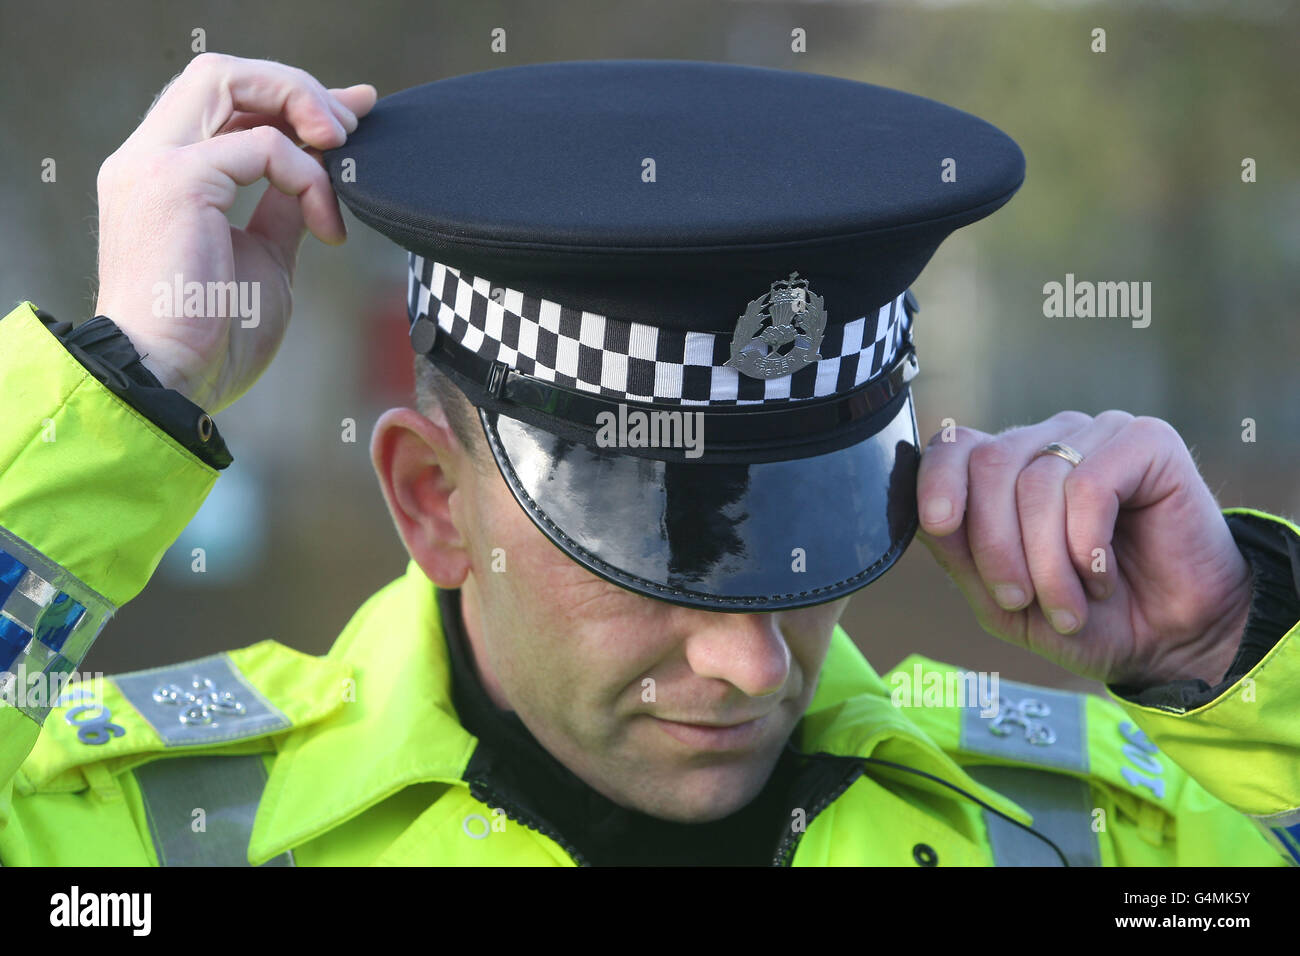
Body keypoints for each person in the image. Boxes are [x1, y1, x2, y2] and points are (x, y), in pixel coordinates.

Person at [1, 53, 1298, 867]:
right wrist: (133, 379)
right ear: (431, 501)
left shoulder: (1094, 833)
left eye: (798, 552)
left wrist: (1217, 646)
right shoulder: (139, 836)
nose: (748, 663)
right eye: (664, 562)